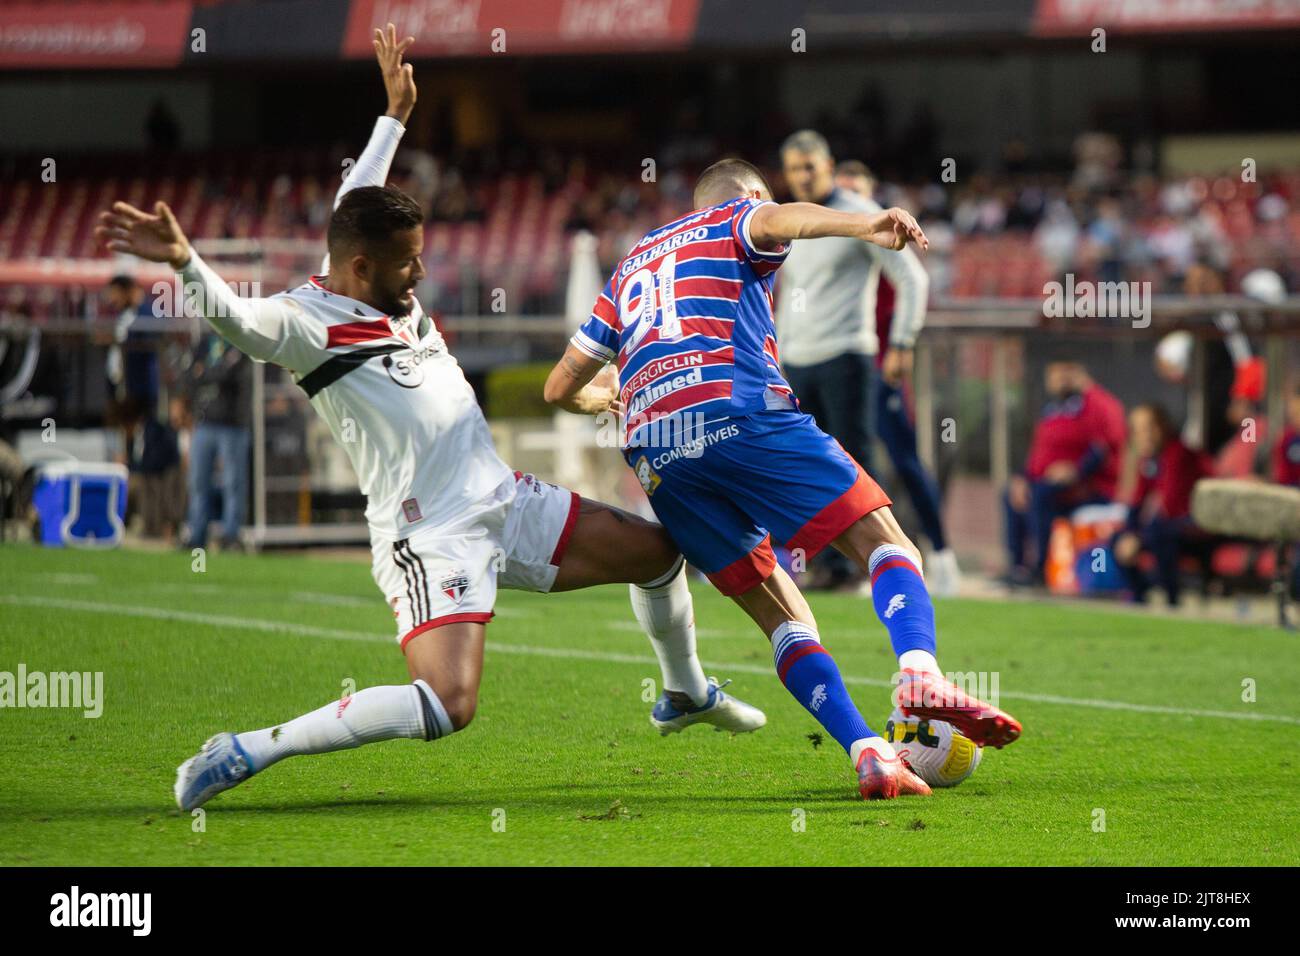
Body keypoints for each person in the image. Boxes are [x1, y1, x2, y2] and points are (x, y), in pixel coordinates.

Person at [96, 25, 764, 813]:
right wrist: (184, 263)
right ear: (359, 269)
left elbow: (358, 204)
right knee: (449, 705)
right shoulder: (307, 323)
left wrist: (394, 116)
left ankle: (684, 693)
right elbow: (238, 322)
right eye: (407, 261)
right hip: (430, 532)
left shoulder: (373, 267)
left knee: (659, 554)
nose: (420, 272)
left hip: (503, 500)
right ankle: (247, 750)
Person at [546, 157, 1020, 801]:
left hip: (655, 450)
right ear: (747, 196)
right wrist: (865, 224)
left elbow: (559, 385)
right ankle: (919, 670)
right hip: (739, 409)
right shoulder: (738, 216)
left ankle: (870, 752)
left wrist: (607, 400)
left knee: (784, 619)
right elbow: (784, 218)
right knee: (886, 543)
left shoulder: (631, 263)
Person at [773, 132, 954, 593]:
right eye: (795, 168)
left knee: (854, 465)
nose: (803, 176)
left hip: (847, 355)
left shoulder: (856, 212)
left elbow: (912, 277)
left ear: (829, 164)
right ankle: (832, 564)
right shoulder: (790, 218)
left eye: (810, 166)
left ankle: (881, 563)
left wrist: (902, 342)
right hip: (798, 359)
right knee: (808, 466)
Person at [833, 157, 958, 595]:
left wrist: (901, 346)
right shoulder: (835, 237)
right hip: (843, 367)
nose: (847, 199)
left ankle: (940, 554)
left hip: (880, 366)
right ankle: (857, 563)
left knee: (901, 458)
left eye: (855, 190)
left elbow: (911, 286)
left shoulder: (885, 238)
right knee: (848, 464)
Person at [1004, 360, 1126, 585]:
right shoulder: (1056, 409)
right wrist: (1022, 477)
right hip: (1052, 484)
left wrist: (1075, 471)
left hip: (1090, 488)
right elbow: (1039, 454)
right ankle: (1017, 566)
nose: (1056, 382)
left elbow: (1103, 449)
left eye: (1061, 375)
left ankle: (1040, 569)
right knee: (1011, 493)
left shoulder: (1098, 403)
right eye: (1052, 376)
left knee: (1041, 495)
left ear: (1076, 374)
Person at [1112, 404, 1214, 606]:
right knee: (1118, 538)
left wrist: (1138, 539)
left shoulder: (1178, 454)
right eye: (1138, 431)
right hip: (1170, 526)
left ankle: (1171, 600)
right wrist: (1129, 534)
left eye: (1149, 428)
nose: (1144, 436)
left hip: (1200, 525)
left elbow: (1171, 506)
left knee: (1160, 532)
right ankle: (1139, 596)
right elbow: (1137, 503)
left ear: (1163, 427)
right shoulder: (1148, 460)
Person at [184, 332, 251, 550]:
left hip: (232, 423)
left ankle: (230, 536)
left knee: (233, 482)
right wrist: (206, 373)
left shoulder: (239, 338)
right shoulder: (204, 340)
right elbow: (190, 374)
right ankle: (196, 536)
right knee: (198, 481)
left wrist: (205, 373)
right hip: (205, 421)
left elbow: (226, 373)